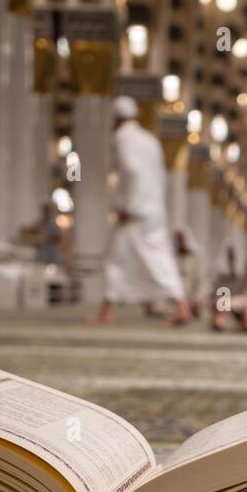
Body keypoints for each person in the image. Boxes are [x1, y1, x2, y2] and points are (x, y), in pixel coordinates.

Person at [89, 96, 191, 326]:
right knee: (158, 257)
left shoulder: (123, 138)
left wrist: (127, 206)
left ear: (116, 118)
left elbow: (131, 170)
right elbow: (161, 175)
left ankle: (107, 312)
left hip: (136, 213)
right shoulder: (150, 140)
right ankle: (181, 305)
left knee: (116, 259)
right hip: (153, 210)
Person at [174, 227, 206, 320]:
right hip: (175, 299)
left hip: (192, 296)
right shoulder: (172, 257)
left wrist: (198, 298)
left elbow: (202, 280)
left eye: (182, 238)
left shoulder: (197, 258)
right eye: (178, 239)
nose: (180, 241)